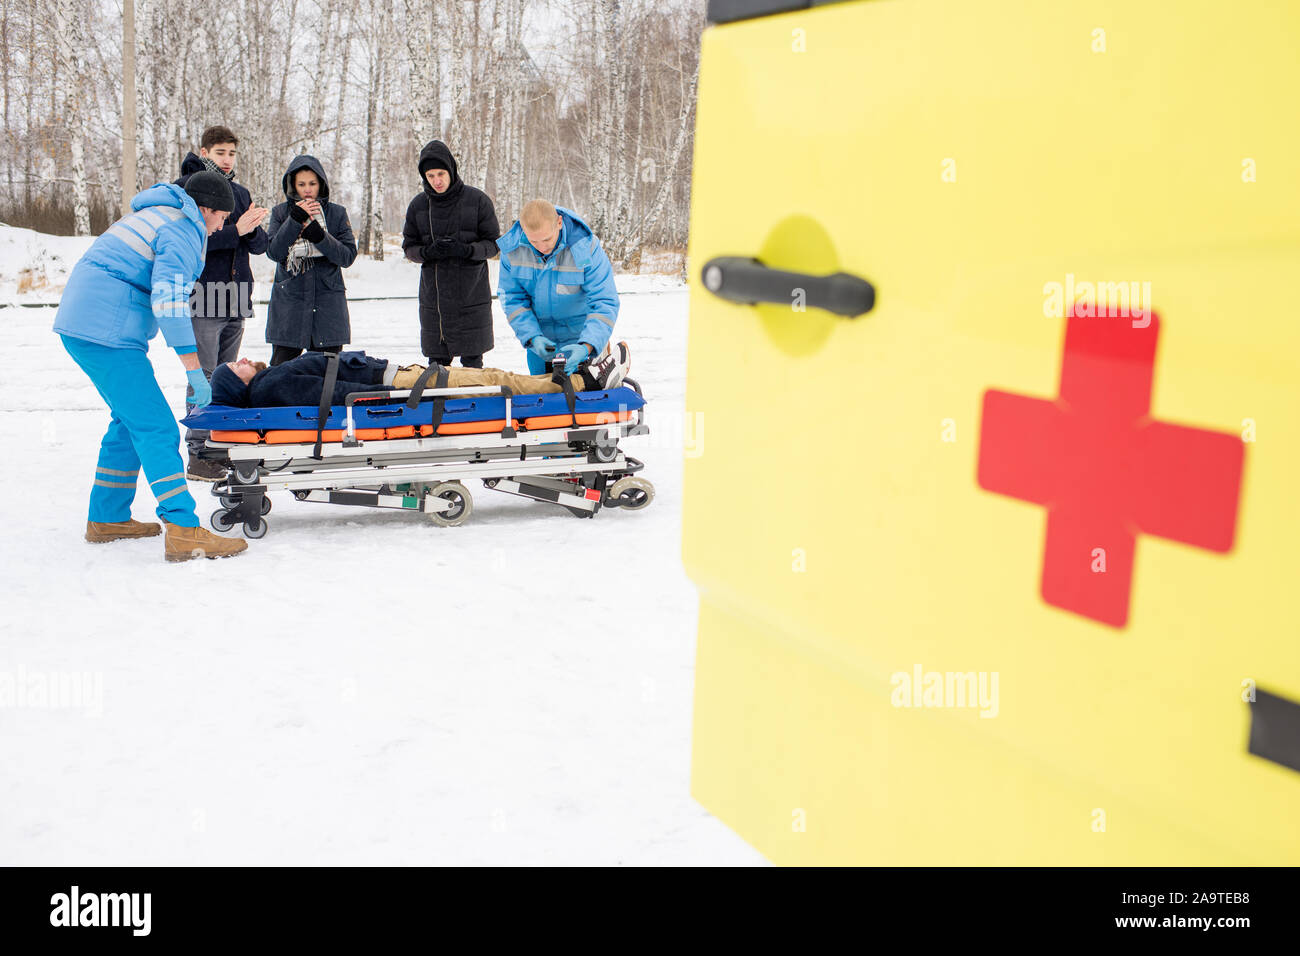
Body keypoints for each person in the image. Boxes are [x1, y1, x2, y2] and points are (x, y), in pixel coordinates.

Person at [52, 174, 249, 562]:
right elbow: (170, 300)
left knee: (129, 420)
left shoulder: (161, 212)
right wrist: (194, 369)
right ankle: (183, 530)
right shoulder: (183, 228)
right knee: (156, 424)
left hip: (89, 320)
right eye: (222, 217)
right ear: (206, 208)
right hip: (104, 329)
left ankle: (107, 518)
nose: (222, 226)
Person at [175, 125, 270, 480]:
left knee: (228, 376)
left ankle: (219, 445)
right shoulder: (187, 189)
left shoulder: (240, 192)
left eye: (232, 153)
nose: (227, 160)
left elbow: (258, 246)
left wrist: (255, 227)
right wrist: (238, 231)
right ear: (203, 153)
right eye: (220, 153)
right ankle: (198, 451)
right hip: (204, 294)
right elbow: (195, 242)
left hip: (236, 295)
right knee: (202, 374)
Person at [207, 342, 632, 409]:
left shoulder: (270, 381)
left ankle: (577, 382)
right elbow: (338, 395)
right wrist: (393, 393)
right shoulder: (274, 384)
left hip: (403, 379)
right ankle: (583, 384)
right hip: (402, 385)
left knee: (492, 377)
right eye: (236, 367)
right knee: (494, 382)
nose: (243, 360)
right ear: (239, 383)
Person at [401, 140, 500, 368]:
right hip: (434, 301)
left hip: (471, 296)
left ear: (451, 170)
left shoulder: (477, 201)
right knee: (437, 368)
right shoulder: (418, 206)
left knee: (473, 367)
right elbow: (409, 248)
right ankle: (439, 404)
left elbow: (493, 244)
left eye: (441, 173)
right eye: (430, 175)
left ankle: (472, 402)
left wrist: (467, 250)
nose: (436, 181)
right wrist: (428, 252)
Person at [496, 200, 620, 376]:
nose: (542, 247)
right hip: (540, 347)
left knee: (588, 399)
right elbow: (513, 300)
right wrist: (532, 337)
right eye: (534, 241)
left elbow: (604, 301)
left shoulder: (586, 248)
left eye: (547, 239)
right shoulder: (512, 251)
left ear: (559, 223)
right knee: (544, 399)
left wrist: (587, 346)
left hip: (583, 342)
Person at [264, 155, 357, 366]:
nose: (307, 189)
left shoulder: (337, 213)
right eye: (302, 184)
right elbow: (274, 252)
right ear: (292, 185)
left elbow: (347, 256)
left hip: (328, 306)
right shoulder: (281, 213)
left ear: (321, 184)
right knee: (281, 375)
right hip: (290, 306)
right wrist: (294, 220)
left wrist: (320, 237)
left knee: (328, 377)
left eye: (312, 184)